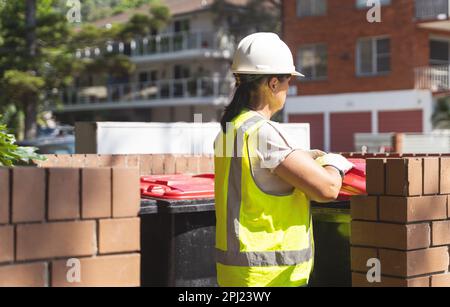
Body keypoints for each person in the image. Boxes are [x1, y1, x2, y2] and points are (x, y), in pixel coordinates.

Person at [214, 33, 354, 287]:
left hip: (237, 275)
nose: (289, 89)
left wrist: (302, 158)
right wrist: (336, 163)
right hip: (270, 277)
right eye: (288, 81)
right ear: (274, 83)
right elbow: (327, 189)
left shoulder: (231, 129)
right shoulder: (264, 132)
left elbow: (260, 174)